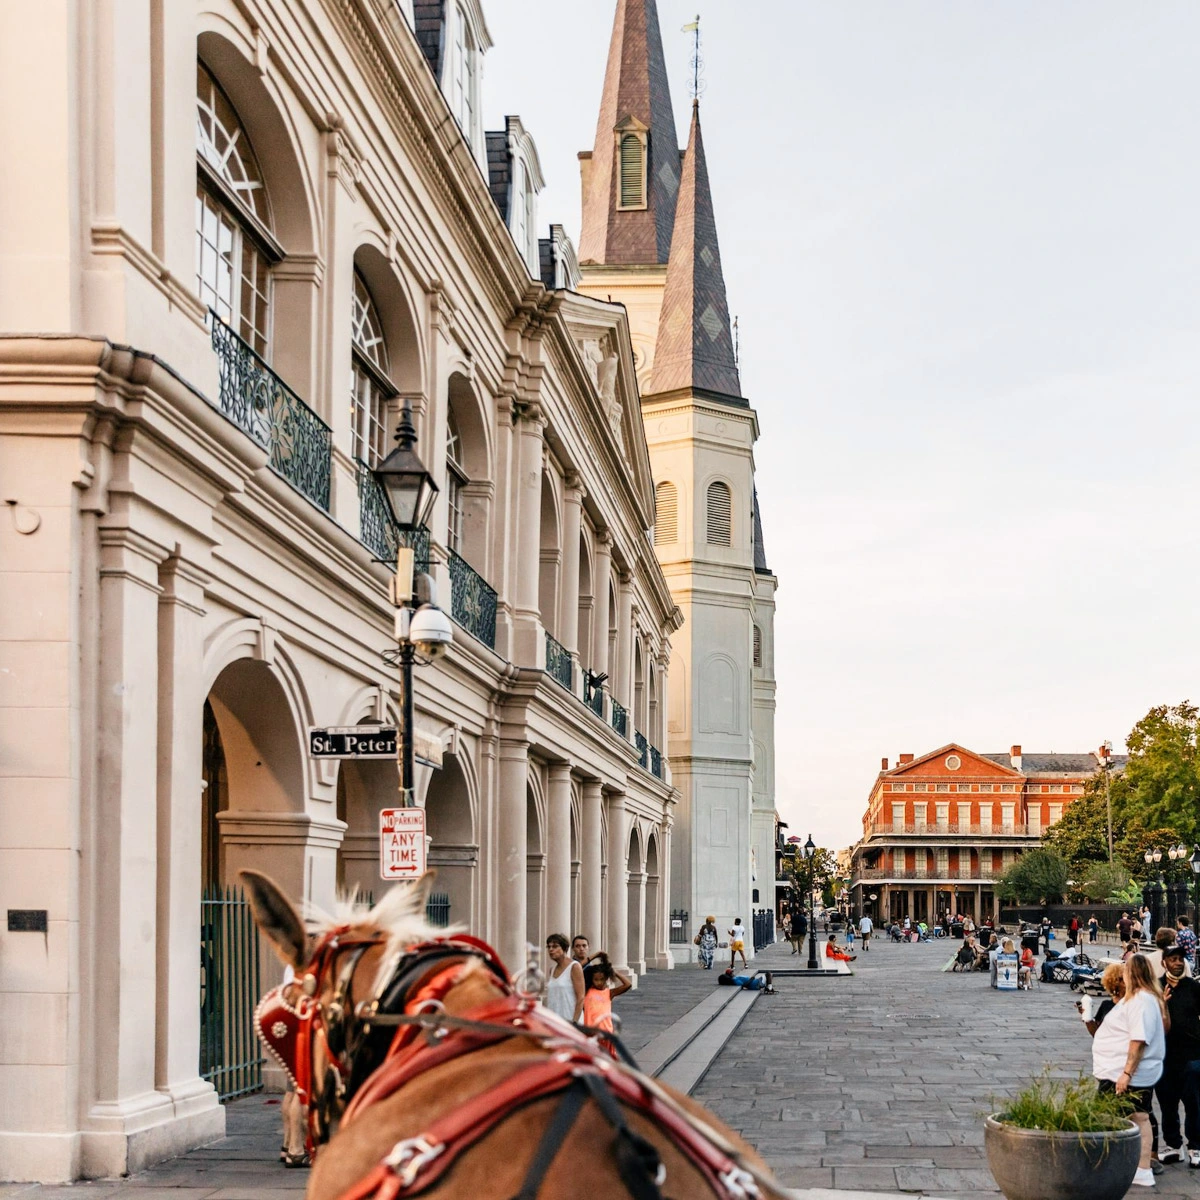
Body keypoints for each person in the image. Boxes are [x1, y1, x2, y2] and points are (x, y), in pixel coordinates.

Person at [1092, 954, 1167, 1189]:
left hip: (1123, 1074)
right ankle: (1134, 1167)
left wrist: (1126, 1073)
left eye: (1126, 969)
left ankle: (1137, 1168)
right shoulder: (1142, 998)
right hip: (1120, 1071)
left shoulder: (1140, 1001)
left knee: (1116, 1117)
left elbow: (1138, 1040)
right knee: (1136, 1116)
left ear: (1132, 973)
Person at [1156, 944, 1200, 1167]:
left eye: (1180, 959)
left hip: (1192, 1054)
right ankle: (1174, 1145)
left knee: (1194, 1101)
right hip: (1163, 1055)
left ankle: (1196, 1146)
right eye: (1173, 959)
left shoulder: (1193, 987)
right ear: (1164, 962)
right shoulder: (1155, 987)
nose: (1178, 963)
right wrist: (1161, 1003)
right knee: (1167, 1102)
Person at [581, 954, 631, 1033]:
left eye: (602, 979)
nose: (599, 982)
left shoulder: (609, 993)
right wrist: (596, 955)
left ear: (606, 979)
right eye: (596, 979)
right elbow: (577, 968)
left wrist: (614, 972)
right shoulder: (586, 991)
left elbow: (628, 984)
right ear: (591, 979)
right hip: (590, 1032)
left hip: (606, 1032)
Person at [544, 933, 585, 1024]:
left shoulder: (574, 967)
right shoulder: (552, 970)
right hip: (554, 1021)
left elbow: (581, 997)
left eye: (555, 946)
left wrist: (574, 1022)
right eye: (549, 947)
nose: (551, 950)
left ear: (564, 948)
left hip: (570, 1020)